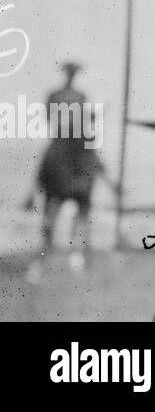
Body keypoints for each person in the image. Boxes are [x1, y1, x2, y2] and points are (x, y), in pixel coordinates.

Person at [23, 61, 112, 278]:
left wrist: (86, 120)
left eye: (73, 73)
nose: (71, 76)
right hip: (63, 138)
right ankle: (32, 195)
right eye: (69, 73)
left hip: (74, 139)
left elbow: (83, 120)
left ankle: (77, 255)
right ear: (66, 74)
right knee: (50, 161)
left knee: (90, 159)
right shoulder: (56, 94)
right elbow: (49, 118)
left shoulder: (78, 95)